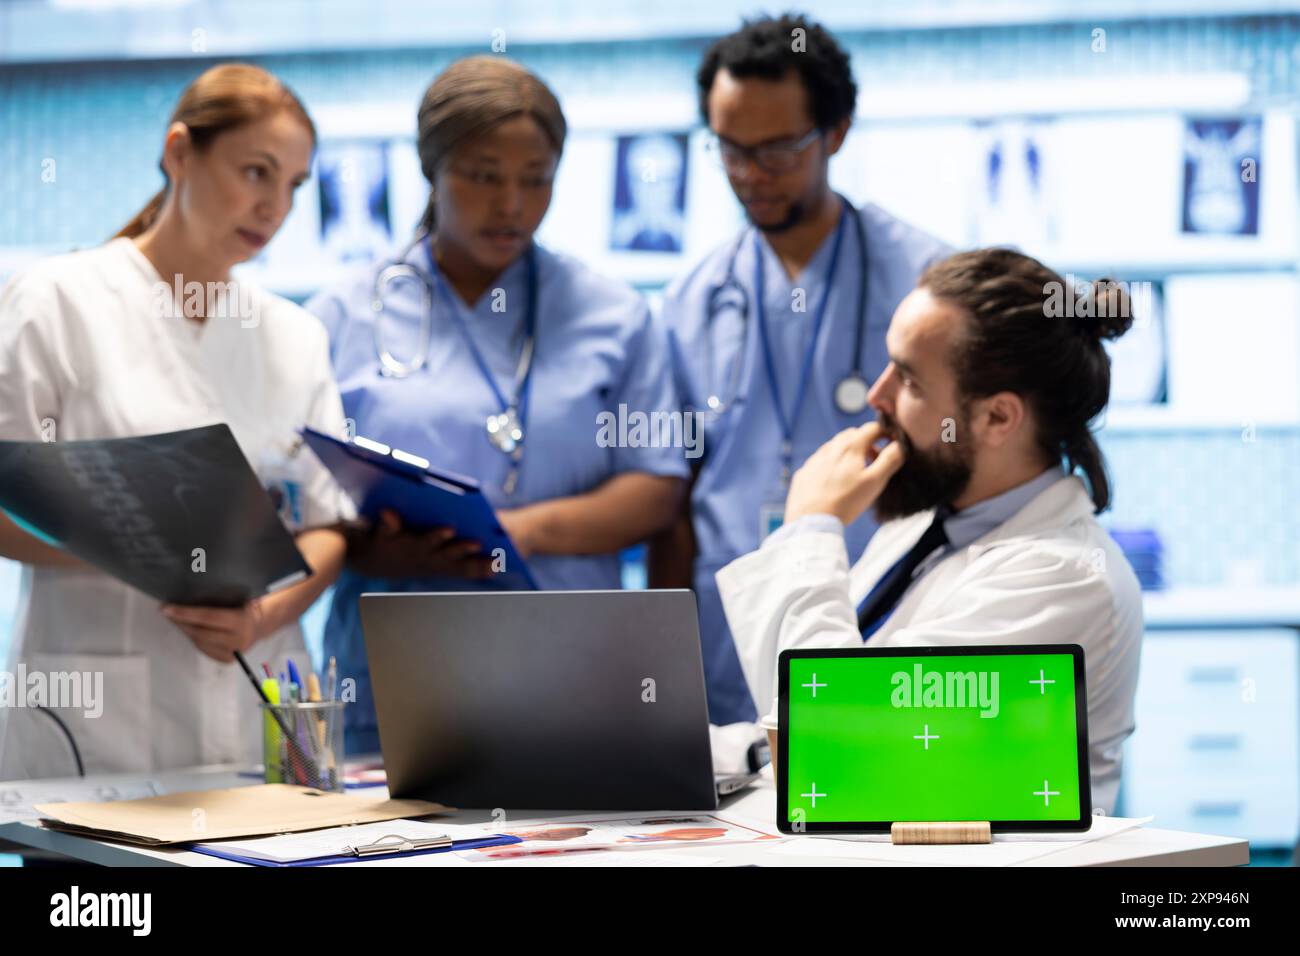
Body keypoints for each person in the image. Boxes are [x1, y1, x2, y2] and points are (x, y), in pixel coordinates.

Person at [306, 56, 687, 754]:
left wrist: (515, 533)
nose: (511, 203)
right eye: (483, 175)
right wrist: (371, 546)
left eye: (535, 179)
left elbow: (655, 489)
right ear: (431, 169)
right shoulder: (341, 318)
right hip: (395, 672)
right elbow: (296, 503)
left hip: (574, 671)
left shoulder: (614, 316)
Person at [0, 64, 350, 779]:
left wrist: (261, 616)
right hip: (97, 727)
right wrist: (153, 554)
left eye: (293, 185)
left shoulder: (294, 335)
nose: (274, 206)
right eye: (256, 171)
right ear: (179, 152)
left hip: (261, 708)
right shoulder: (57, 302)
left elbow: (329, 524)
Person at [716, 248, 1144, 813]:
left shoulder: (1066, 580)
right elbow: (780, 741)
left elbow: (835, 753)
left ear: (998, 417)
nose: (877, 396)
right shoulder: (927, 528)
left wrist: (809, 529)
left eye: (910, 381)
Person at [650, 13, 951, 728]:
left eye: (779, 150)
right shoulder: (692, 300)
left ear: (837, 132)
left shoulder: (927, 282)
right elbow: (674, 508)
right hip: (730, 659)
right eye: (730, 149)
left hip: (889, 638)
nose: (751, 174)